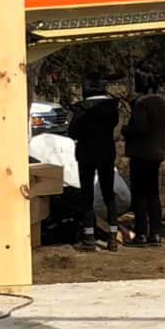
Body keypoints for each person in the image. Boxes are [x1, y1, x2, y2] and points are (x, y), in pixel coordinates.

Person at [67, 77, 123, 249]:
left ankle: (89, 236)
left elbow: (73, 132)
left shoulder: (81, 109)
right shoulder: (112, 108)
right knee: (108, 193)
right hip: (106, 152)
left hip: (86, 154)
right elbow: (113, 125)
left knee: (87, 195)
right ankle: (113, 236)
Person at [124, 71, 165, 247]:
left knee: (140, 194)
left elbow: (140, 128)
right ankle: (156, 232)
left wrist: (125, 130)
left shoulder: (142, 104)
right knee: (153, 192)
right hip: (156, 153)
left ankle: (141, 232)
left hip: (141, 153)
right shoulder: (160, 103)